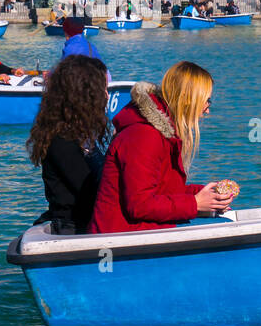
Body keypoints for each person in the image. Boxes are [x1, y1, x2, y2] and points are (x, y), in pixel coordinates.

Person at [91, 61, 236, 233]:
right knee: (222, 227)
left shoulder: (162, 132)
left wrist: (207, 195)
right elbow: (140, 205)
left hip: (137, 228)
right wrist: (196, 203)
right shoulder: (144, 136)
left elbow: (164, 191)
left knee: (223, 220)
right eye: (207, 101)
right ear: (189, 100)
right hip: (121, 234)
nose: (207, 111)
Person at [27, 56, 111, 235]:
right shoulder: (62, 141)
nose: (106, 95)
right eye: (102, 89)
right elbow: (91, 191)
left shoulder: (78, 134)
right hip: (72, 228)